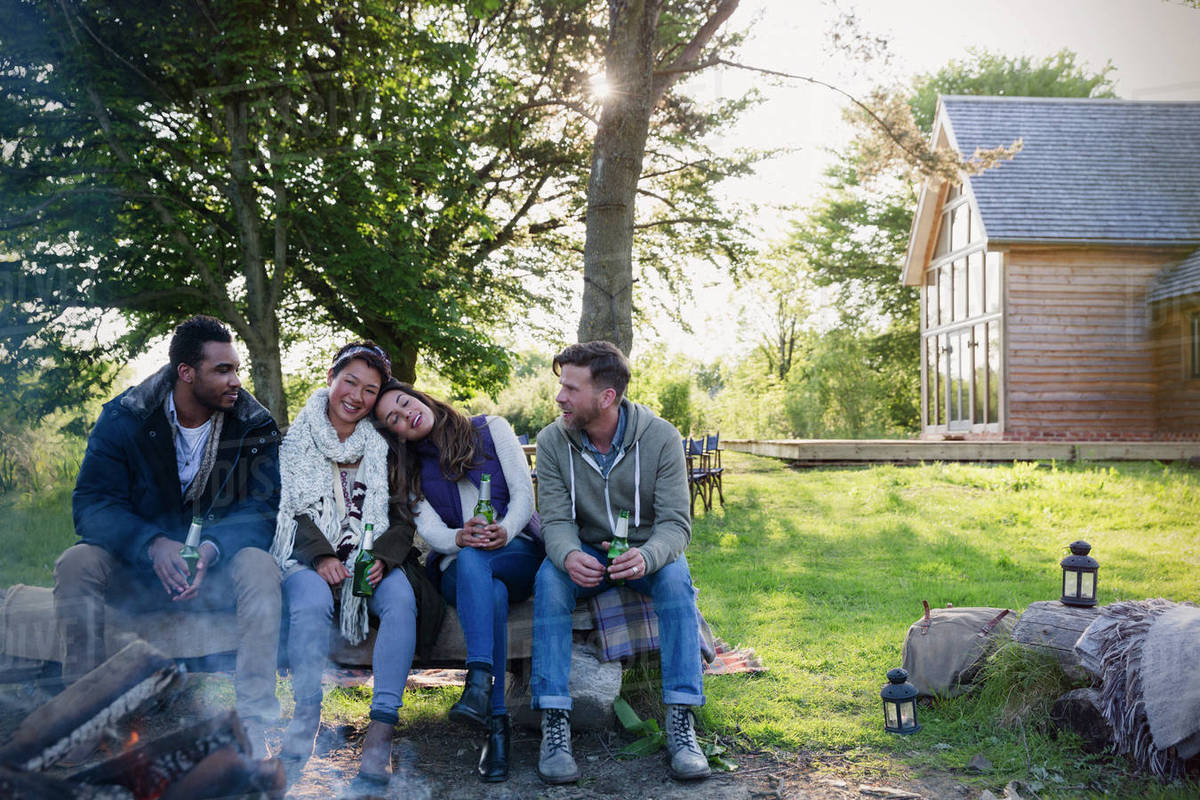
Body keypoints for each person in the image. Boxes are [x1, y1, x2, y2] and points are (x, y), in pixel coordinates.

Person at [56, 315, 282, 759]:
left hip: (212, 570)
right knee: (76, 563)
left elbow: (261, 510)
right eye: (223, 370)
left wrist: (212, 550)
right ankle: (82, 718)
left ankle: (253, 719)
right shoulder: (126, 418)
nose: (236, 381)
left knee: (260, 566)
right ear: (186, 373)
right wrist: (152, 544)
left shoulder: (254, 427)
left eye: (236, 369)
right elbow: (93, 504)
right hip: (136, 568)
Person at [531, 341, 710, 784]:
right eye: (560, 386)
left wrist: (648, 556)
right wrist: (569, 554)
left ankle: (681, 718)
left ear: (606, 397)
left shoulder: (662, 437)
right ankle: (555, 721)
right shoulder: (553, 440)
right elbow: (553, 520)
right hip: (587, 550)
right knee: (549, 581)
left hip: (645, 550)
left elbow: (676, 525)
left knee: (675, 579)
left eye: (571, 388)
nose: (560, 397)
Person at [269, 343, 443, 783]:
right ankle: (306, 718)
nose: (357, 396)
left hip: (372, 554)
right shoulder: (296, 439)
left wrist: (382, 558)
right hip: (308, 557)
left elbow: (403, 515)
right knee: (308, 602)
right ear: (331, 377)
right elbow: (289, 508)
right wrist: (322, 554)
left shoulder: (383, 444)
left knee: (401, 599)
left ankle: (380, 734)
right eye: (350, 382)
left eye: (370, 389)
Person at [375, 379, 542, 782]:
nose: (405, 415)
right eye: (393, 420)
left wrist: (505, 528)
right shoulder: (408, 468)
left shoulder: (491, 429)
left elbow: (523, 493)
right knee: (482, 578)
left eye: (403, 402)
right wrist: (458, 538)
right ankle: (492, 715)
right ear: (394, 434)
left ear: (418, 396)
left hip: (514, 550)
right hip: (456, 565)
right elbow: (429, 529)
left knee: (490, 572)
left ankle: (482, 694)